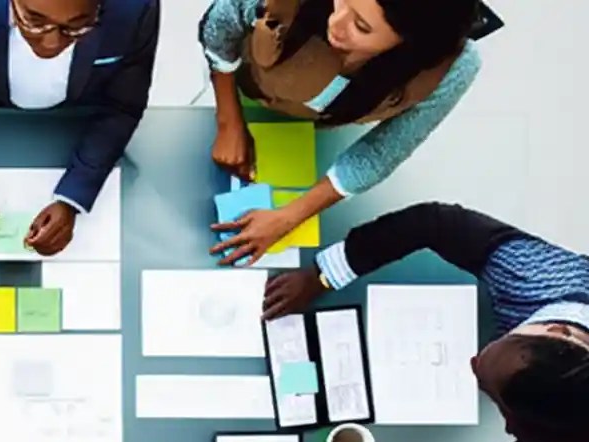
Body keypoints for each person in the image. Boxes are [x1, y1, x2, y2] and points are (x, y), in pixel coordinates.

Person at [263, 203, 589, 442]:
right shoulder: (533, 273)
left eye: (494, 396)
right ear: (556, 329)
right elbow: (432, 223)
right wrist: (323, 275)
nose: (471, 364)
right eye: (486, 357)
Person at [201, 0, 482, 266]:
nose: (336, 22)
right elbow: (221, 25)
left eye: (361, 26)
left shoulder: (453, 68)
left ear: (411, 44)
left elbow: (380, 153)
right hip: (247, 81)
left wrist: (288, 217)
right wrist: (228, 122)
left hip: (321, 124)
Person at [0, 0, 159, 256]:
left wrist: (74, 196)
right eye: (34, 22)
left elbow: (122, 105)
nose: (51, 44)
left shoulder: (136, 9)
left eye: (77, 27)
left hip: (79, 124)